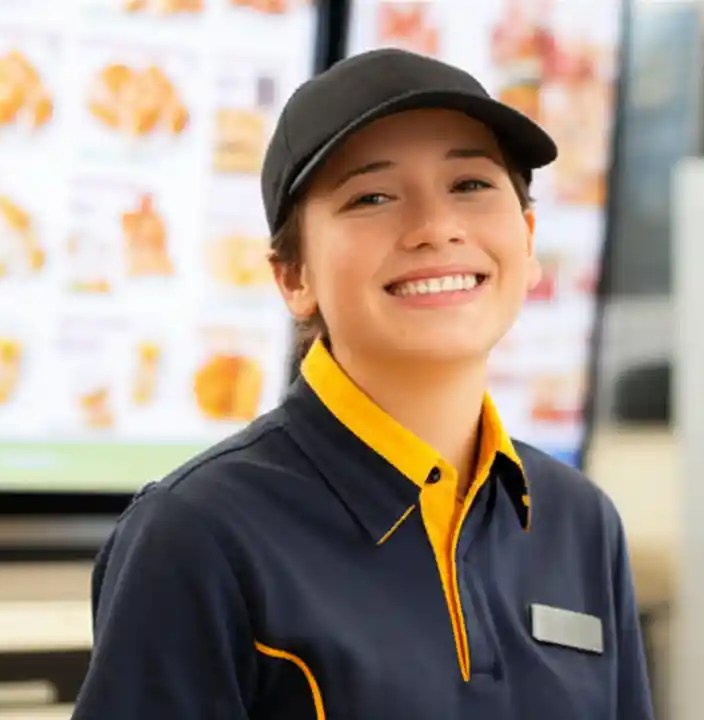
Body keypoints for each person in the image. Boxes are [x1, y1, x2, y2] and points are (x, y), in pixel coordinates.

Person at [71, 47, 654, 719]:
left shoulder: (579, 523)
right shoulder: (198, 535)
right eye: (372, 197)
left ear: (527, 240)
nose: (436, 228)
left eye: (470, 184)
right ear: (294, 276)